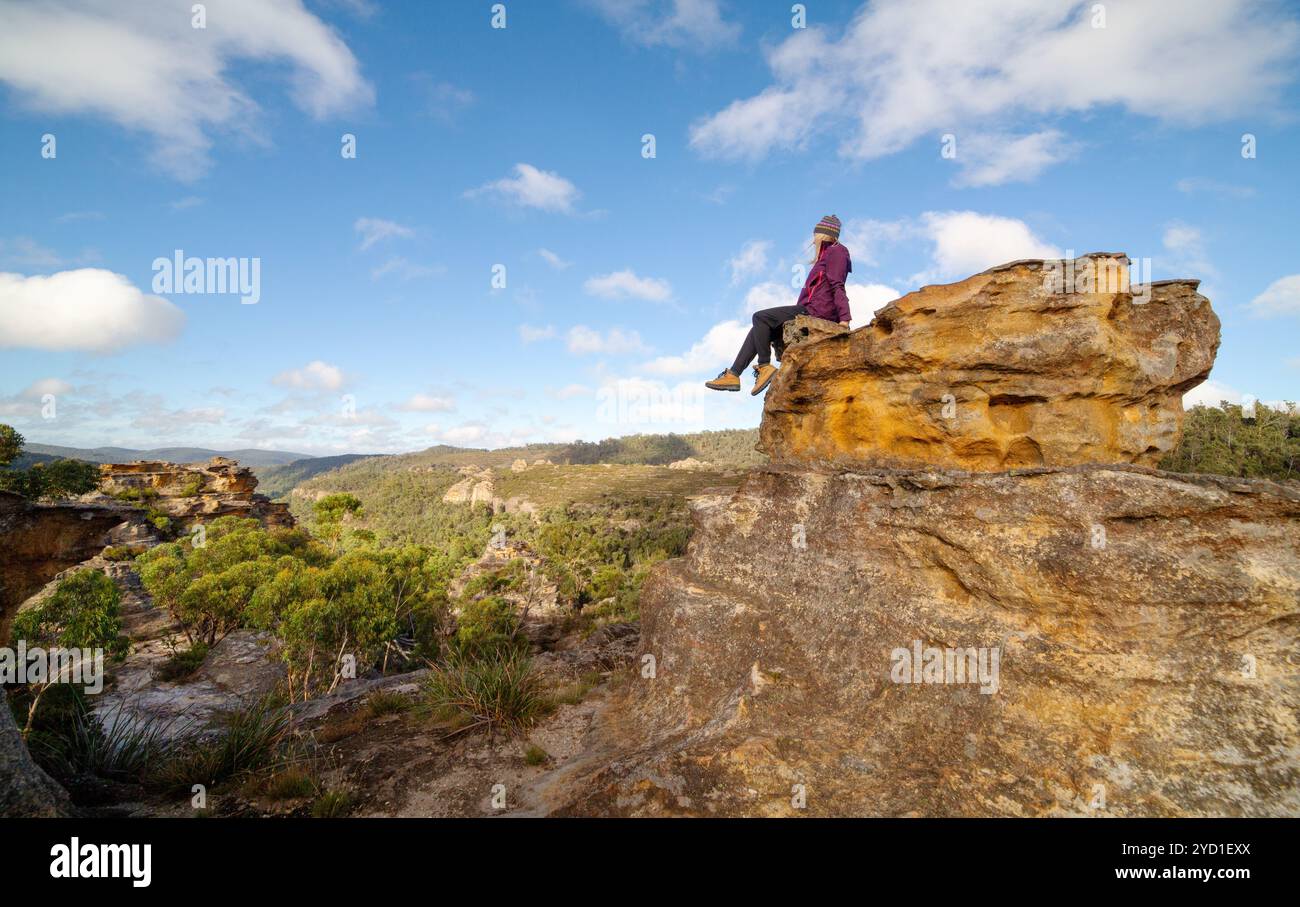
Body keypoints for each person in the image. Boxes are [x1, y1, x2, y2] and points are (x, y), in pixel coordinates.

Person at [707, 214, 852, 396]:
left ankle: (764, 366)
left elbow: (837, 284)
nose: (813, 238)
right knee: (759, 329)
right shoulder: (825, 253)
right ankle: (734, 375)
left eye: (816, 233)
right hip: (809, 308)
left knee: (760, 317)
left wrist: (844, 319)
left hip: (816, 311)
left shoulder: (836, 251)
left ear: (823, 234)